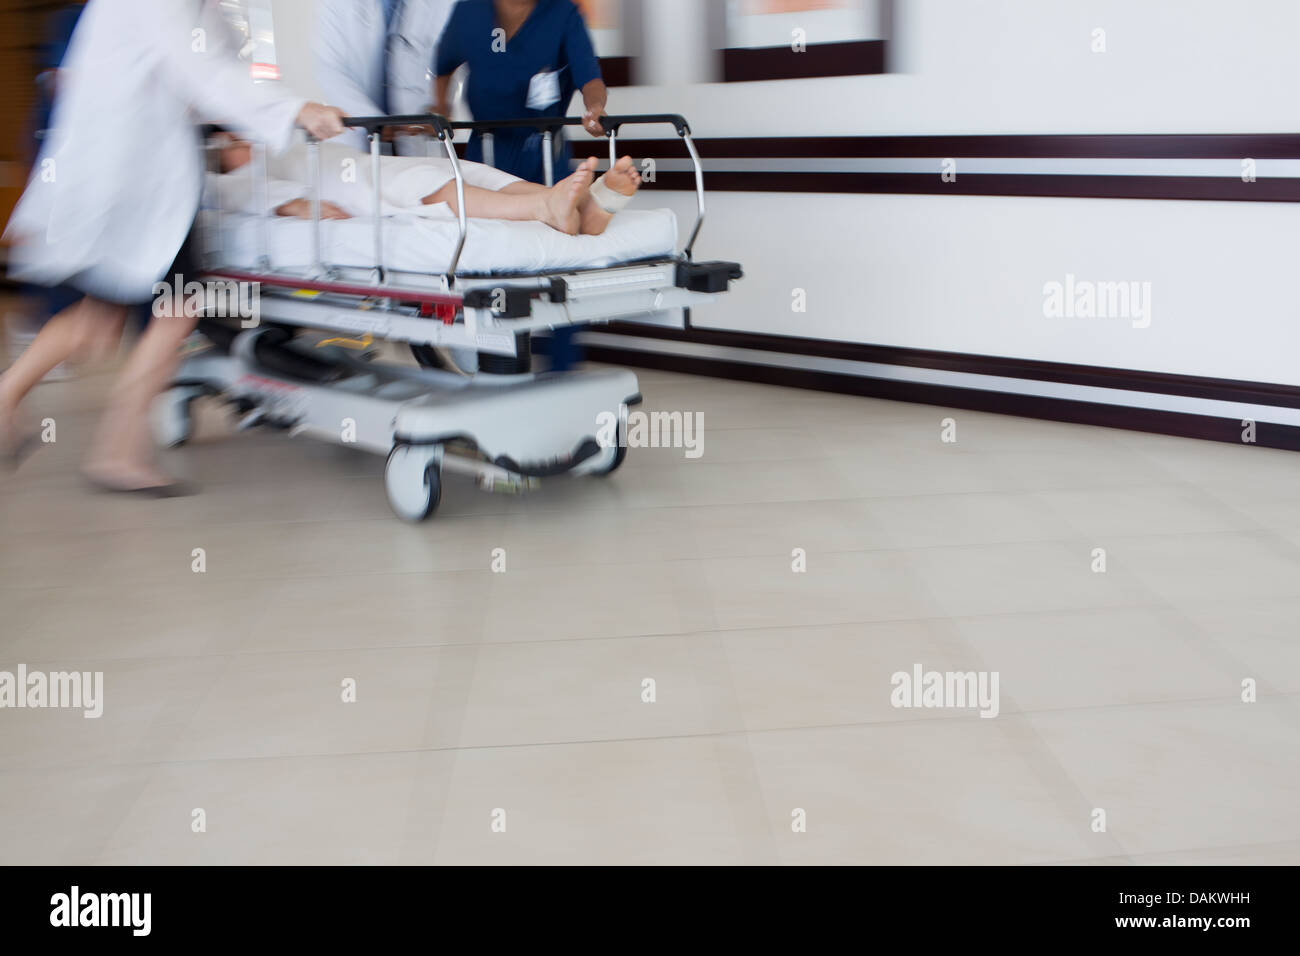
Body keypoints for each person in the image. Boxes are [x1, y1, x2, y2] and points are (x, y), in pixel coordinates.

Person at [0, 0, 345, 494]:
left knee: (102, 314)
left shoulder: (200, 8)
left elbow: (212, 68)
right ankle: (116, 451)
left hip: (132, 173)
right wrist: (297, 110)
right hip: (130, 175)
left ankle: (11, 396)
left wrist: (248, 125)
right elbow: (200, 70)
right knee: (177, 306)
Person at [434, 0, 612, 369]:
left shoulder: (562, 13)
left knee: (561, 259)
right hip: (486, 153)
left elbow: (589, 76)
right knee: (488, 259)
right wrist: (440, 110)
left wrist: (595, 108)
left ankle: (562, 368)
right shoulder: (470, 12)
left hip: (544, 152)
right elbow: (443, 64)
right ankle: (497, 364)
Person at [211, 134, 643, 236]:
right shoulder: (233, 178)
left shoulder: (278, 143)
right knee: (426, 186)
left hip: (364, 163)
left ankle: (582, 208)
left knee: (474, 174)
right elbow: (239, 194)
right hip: (353, 186)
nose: (243, 138)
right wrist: (295, 206)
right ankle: (545, 209)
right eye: (231, 139)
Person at [315, 0, 455, 153]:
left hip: (417, 139)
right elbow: (331, 70)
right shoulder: (338, 4)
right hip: (358, 135)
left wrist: (435, 110)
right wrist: (375, 120)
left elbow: (450, 60)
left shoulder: (438, 4)